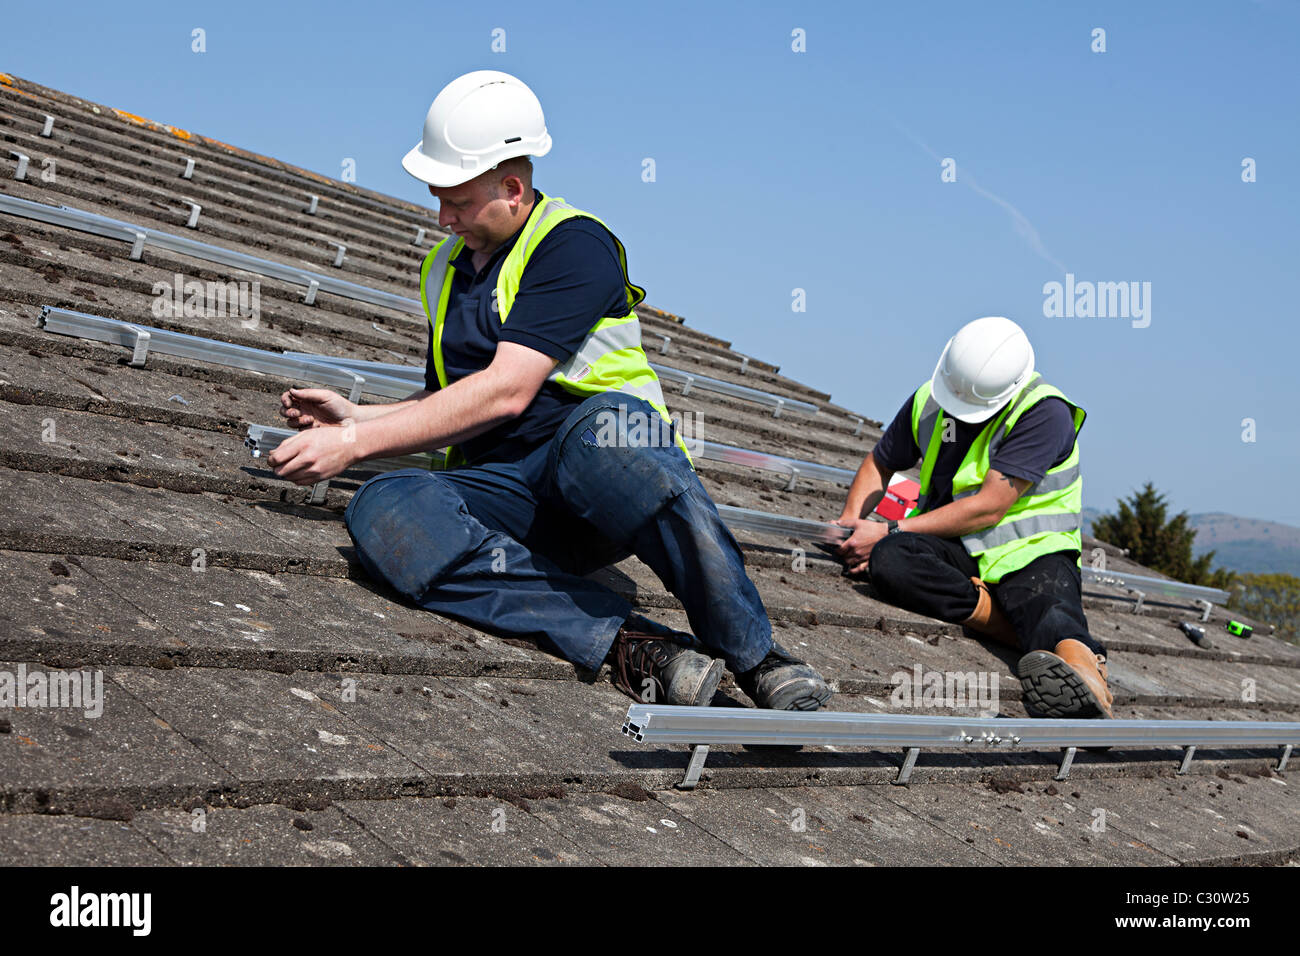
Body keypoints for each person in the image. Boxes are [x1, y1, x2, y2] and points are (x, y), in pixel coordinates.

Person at [267, 70, 831, 712]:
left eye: (456, 201)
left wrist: (356, 440)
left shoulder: (574, 244)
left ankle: (757, 657)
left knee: (608, 438)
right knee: (384, 510)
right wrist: (360, 415)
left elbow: (507, 390)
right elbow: (457, 400)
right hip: (509, 492)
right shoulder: (443, 269)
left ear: (512, 187)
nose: (442, 217)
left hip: (607, 481)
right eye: (438, 198)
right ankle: (636, 645)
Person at [831, 316, 1112, 718]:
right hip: (954, 543)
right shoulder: (930, 400)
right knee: (892, 559)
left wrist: (889, 526)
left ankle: (1086, 679)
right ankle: (1024, 633)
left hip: (1029, 552)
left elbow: (989, 506)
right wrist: (849, 525)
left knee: (1050, 610)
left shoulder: (1044, 413)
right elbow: (881, 462)